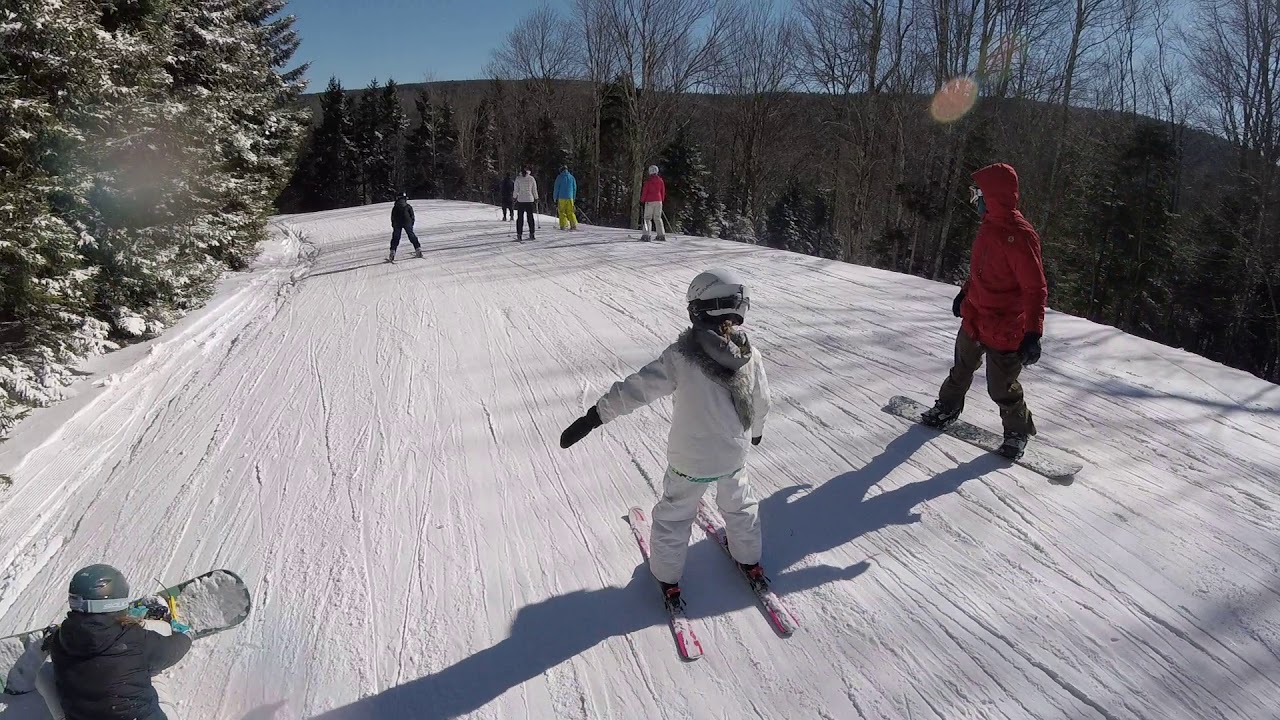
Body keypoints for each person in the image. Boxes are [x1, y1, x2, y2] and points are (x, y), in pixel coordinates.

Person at [559, 269, 771, 609]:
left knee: (674, 515)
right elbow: (761, 400)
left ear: (700, 309)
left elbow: (637, 389)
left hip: (690, 460)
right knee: (740, 505)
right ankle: (750, 559)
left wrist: (595, 416)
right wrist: (756, 430)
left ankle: (668, 577)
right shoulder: (750, 356)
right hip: (733, 455)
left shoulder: (680, 357)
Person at [920, 162, 1047, 459]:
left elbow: (1035, 288)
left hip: (1005, 327)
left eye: (977, 194)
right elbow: (981, 271)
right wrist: (964, 293)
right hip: (975, 317)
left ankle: (1017, 431)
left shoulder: (1020, 236)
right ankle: (947, 408)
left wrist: (1033, 332)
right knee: (960, 370)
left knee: (1001, 388)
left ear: (992, 196)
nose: (973, 200)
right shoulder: (989, 226)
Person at [36, 564, 193, 720]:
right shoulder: (134, 639)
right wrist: (185, 635)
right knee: (149, 667)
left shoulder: (59, 640)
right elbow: (172, 650)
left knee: (45, 673)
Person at [389, 192, 422, 262]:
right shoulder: (408, 206)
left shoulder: (395, 207)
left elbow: (393, 217)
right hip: (407, 222)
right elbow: (412, 216)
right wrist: (411, 223)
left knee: (396, 237)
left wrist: (393, 224)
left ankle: (392, 251)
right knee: (411, 235)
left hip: (397, 223)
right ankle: (418, 248)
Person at [640, 165, 666, 242]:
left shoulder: (648, 181)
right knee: (657, 218)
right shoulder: (660, 180)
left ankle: (646, 235)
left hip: (649, 201)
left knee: (647, 218)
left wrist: (642, 200)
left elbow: (645, 191)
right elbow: (663, 191)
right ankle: (661, 235)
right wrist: (661, 200)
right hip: (659, 201)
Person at [513, 167, 538, 241]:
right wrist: (536, 198)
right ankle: (532, 233)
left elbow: (516, 189)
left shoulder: (518, 178)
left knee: (520, 218)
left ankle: (519, 234)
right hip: (530, 200)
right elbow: (534, 189)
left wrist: (514, 197)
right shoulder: (531, 178)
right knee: (530, 217)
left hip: (521, 200)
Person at [553, 166, 579, 231]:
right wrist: (574, 197)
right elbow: (574, 188)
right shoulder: (572, 177)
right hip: (570, 197)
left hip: (561, 197)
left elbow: (556, 188)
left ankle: (563, 225)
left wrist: (555, 197)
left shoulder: (559, 177)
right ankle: (573, 225)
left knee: (562, 212)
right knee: (570, 212)